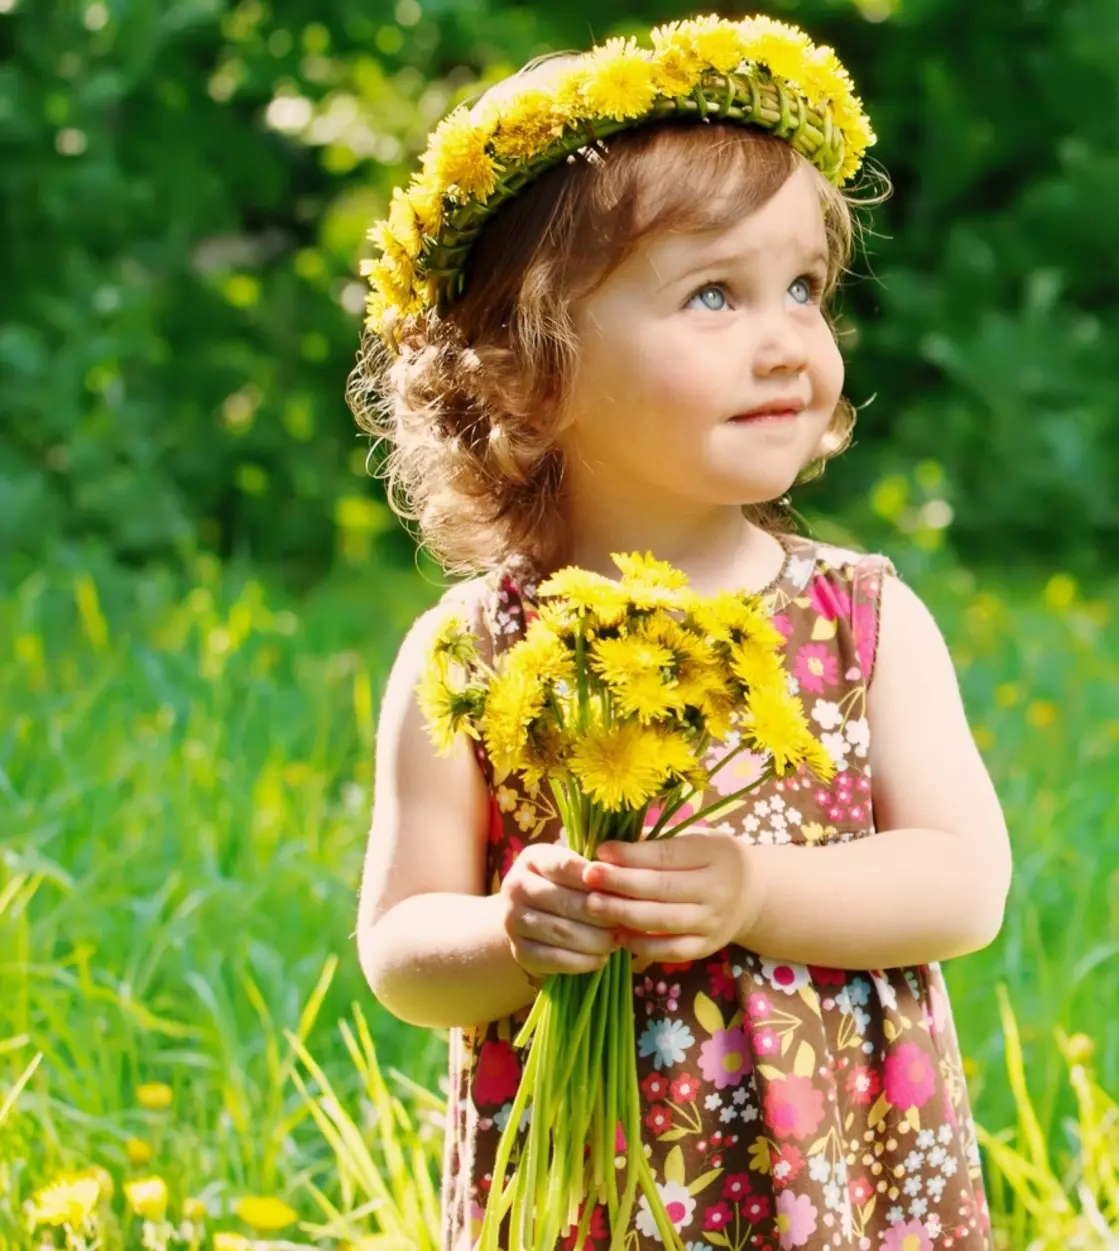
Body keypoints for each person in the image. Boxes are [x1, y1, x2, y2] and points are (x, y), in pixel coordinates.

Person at [350, 15, 1011, 1250]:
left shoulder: (856, 618)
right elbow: (399, 945)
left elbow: (963, 882)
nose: (787, 342)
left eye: (804, 289)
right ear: (525, 371)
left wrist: (760, 887)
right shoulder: (473, 648)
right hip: (583, 1187)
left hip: (837, 1172)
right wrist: (509, 934)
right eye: (714, 293)